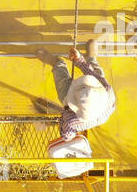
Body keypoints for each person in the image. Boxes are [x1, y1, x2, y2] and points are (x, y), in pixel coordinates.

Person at [38, 38, 117, 175]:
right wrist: (79, 59)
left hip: (70, 102)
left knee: (65, 76)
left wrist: (63, 120)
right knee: (96, 72)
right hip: (86, 105)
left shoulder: (72, 119)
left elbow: (66, 131)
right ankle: (89, 58)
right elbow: (66, 136)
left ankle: (57, 62)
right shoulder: (107, 91)